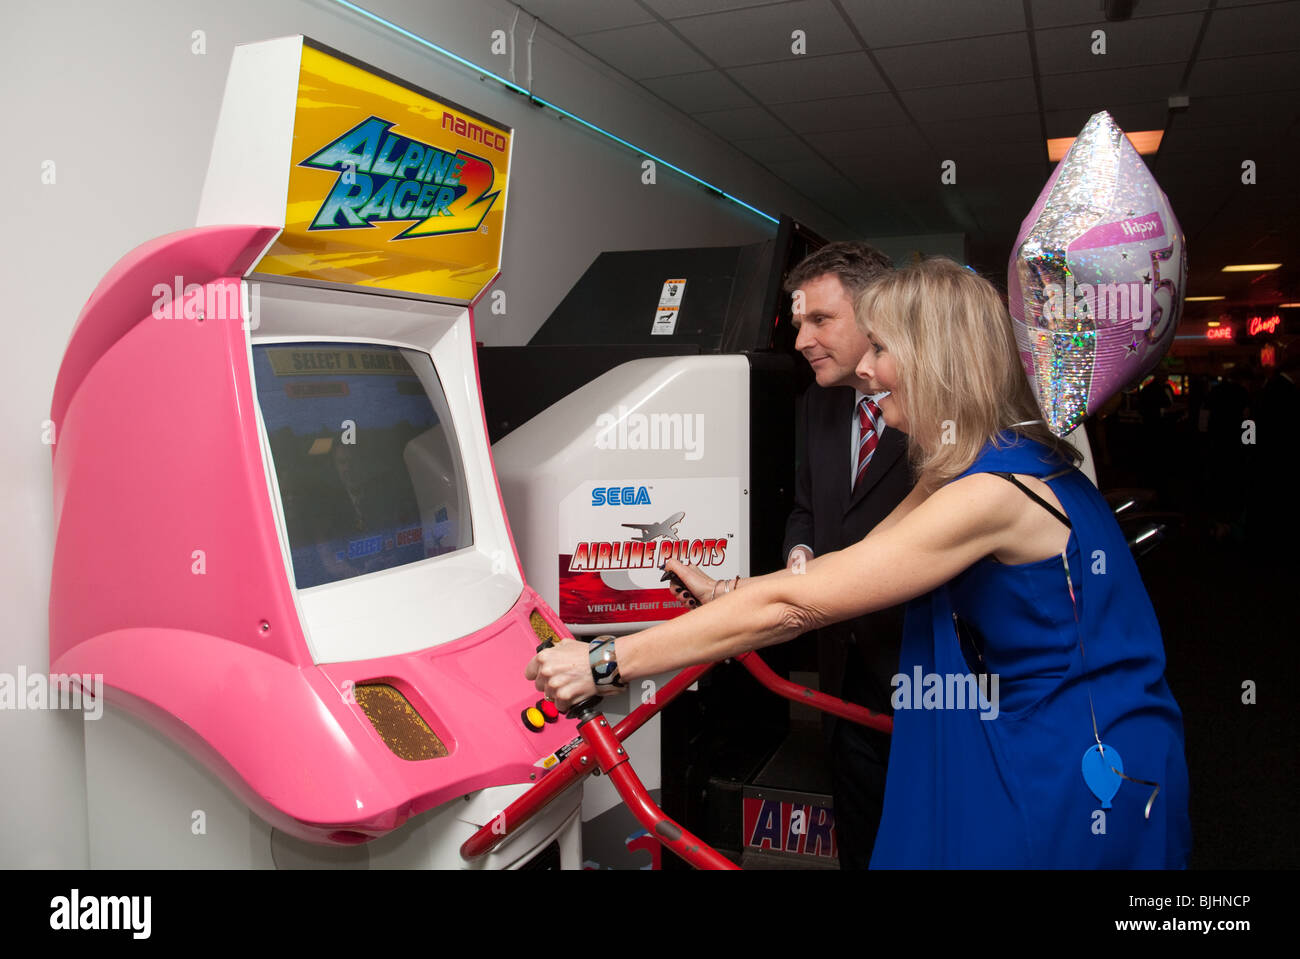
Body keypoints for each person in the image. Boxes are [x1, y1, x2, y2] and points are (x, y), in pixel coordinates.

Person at [529, 257, 1191, 868]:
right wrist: (732, 587)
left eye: (879, 348)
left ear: (934, 359)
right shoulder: (975, 462)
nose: (864, 370)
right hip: (1035, 722)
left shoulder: (988, 494)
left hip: (1078, 747)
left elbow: (799, 604)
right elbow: (838, 573)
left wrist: (606, 662)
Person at [779, 241, 913, 868]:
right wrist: (800, 555)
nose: (802, 340)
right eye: (797, 320)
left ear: (877, 312)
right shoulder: (816, 403)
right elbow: (807, 507)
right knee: (861, 840)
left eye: (820, 320)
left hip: (926, 672)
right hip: (842, 670)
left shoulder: (935, 410)